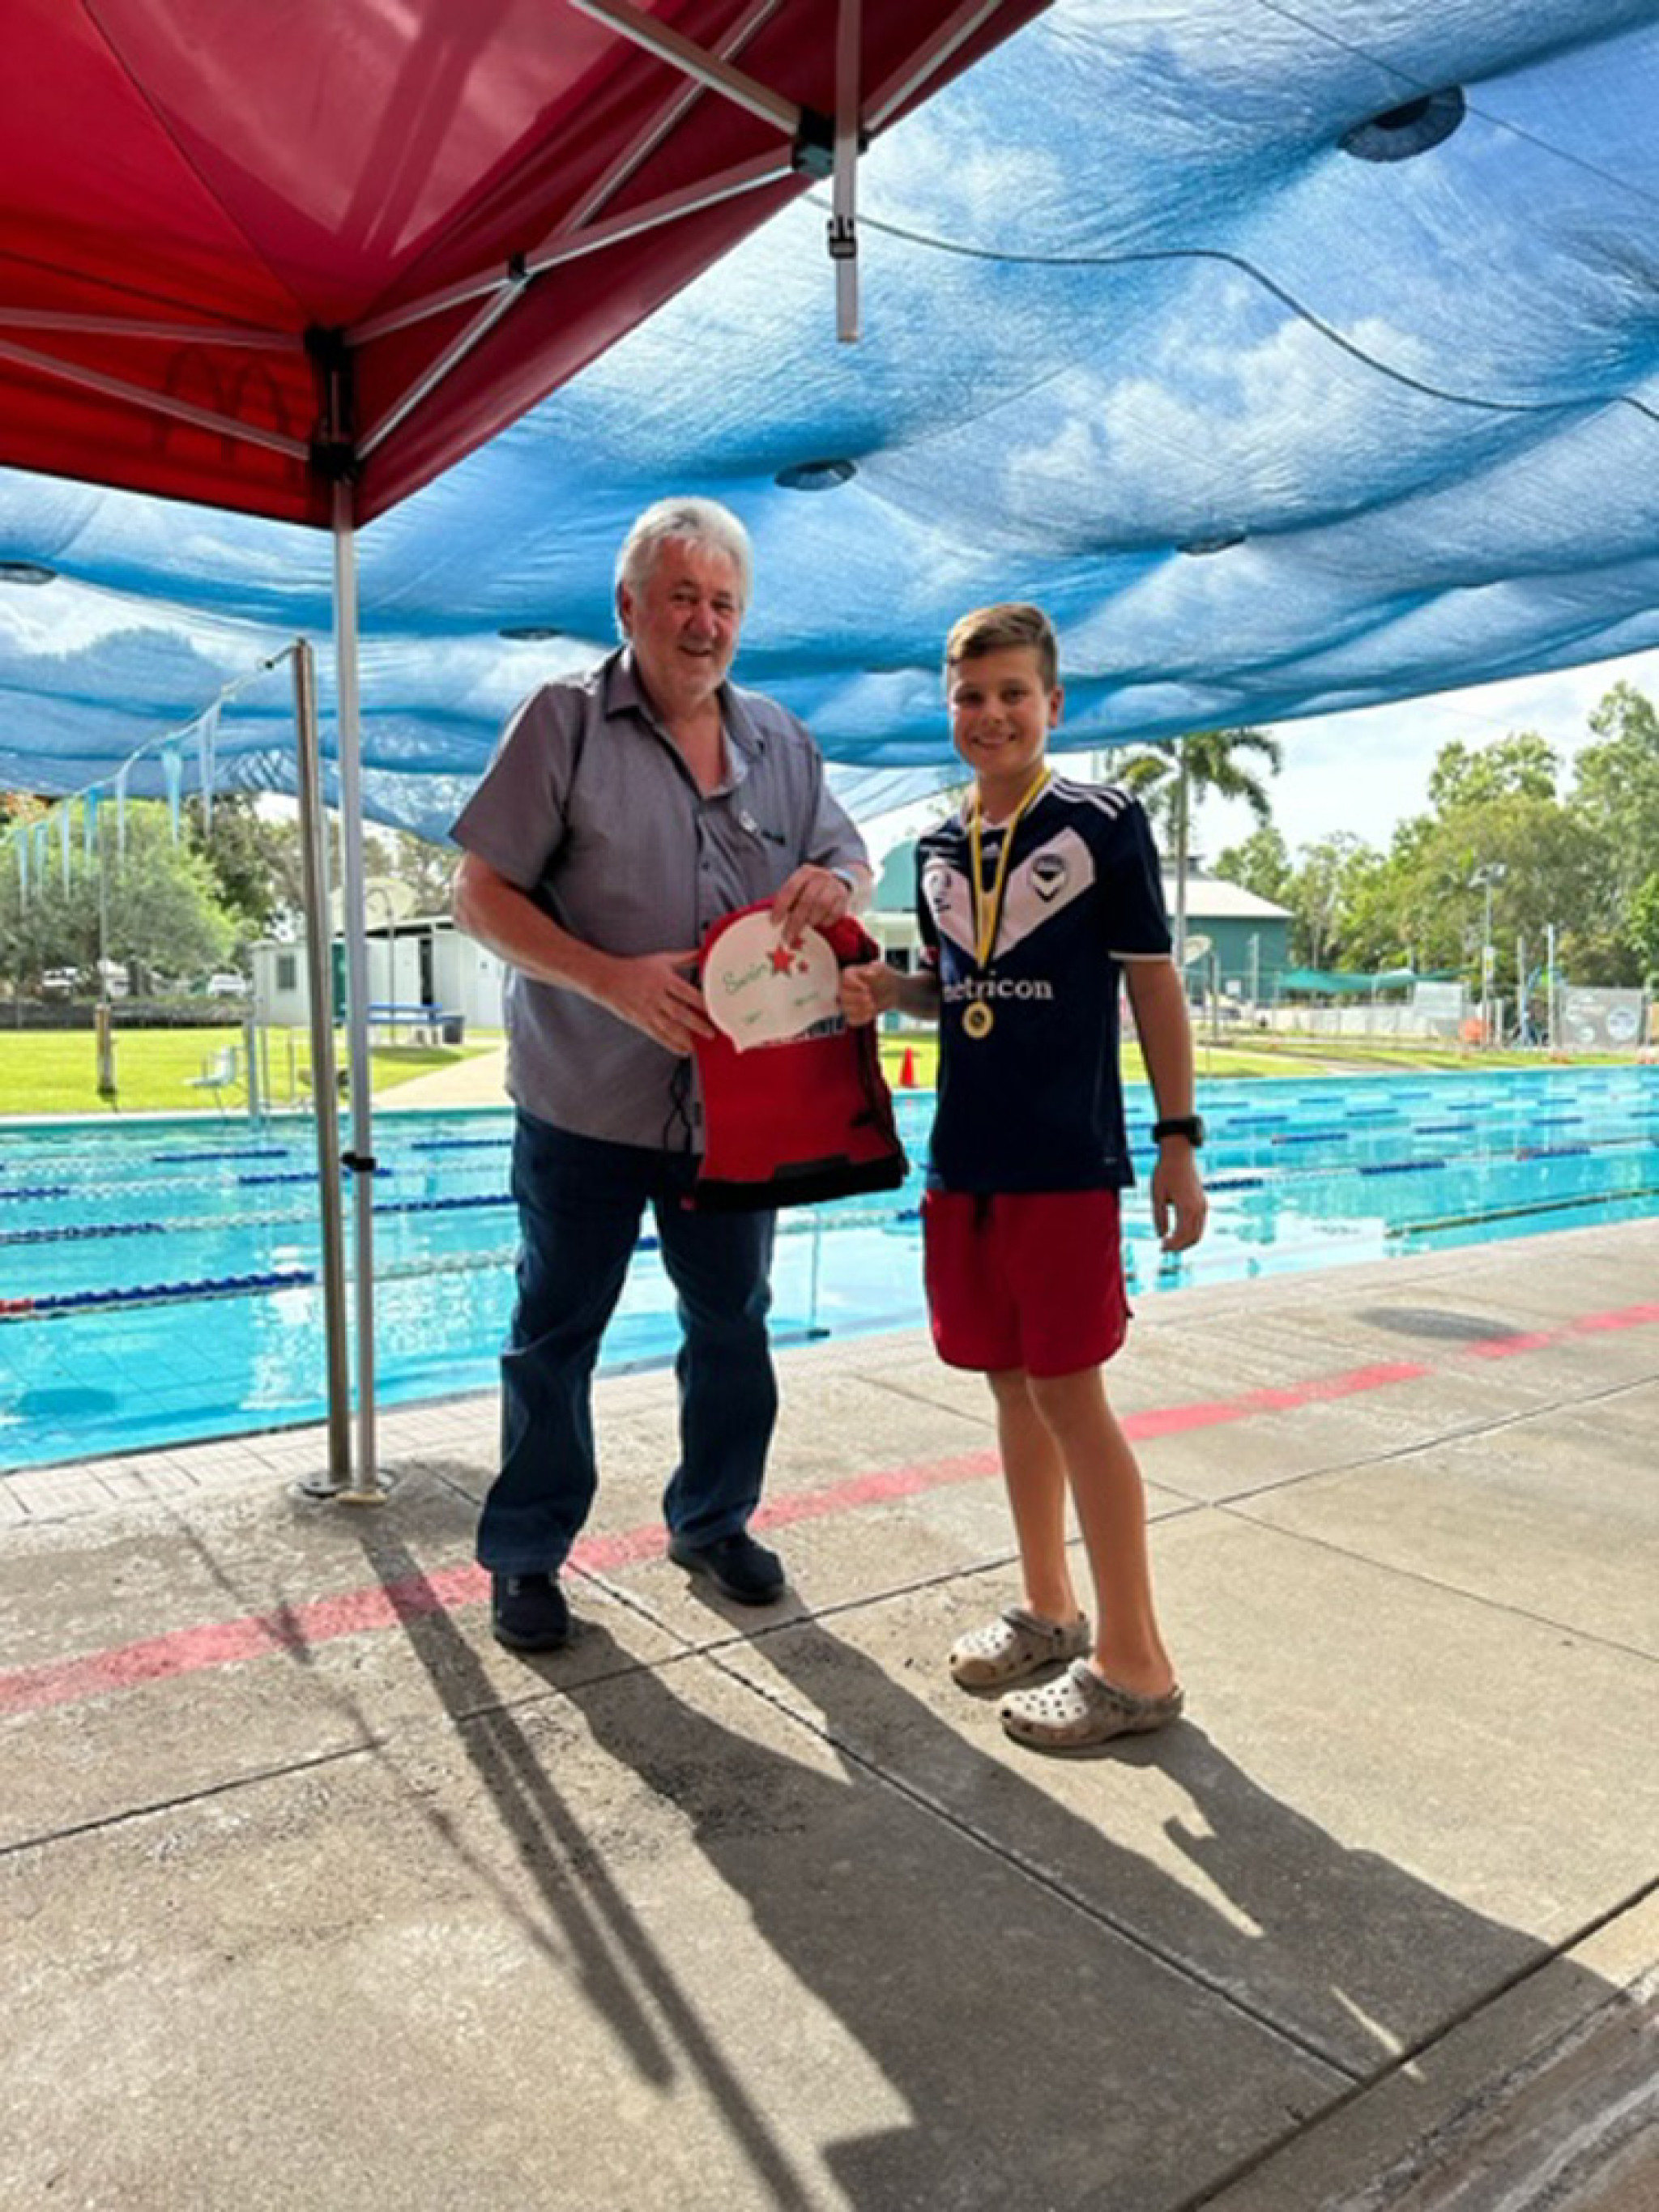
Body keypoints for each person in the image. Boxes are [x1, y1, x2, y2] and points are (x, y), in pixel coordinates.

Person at [450, 497, 869, 1652]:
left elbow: (845, 855)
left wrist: (839, 885)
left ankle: (714, 1518)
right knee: (556, 1333)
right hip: (585, 1097)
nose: (704, 622)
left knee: (733, 1324)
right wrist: (607, 979)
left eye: (724, 603)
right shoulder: (565, 724)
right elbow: (479, 894)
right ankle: (528, 1553)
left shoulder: (783, 740)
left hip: (736, 1114)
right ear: (630, 606)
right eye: (681, 597)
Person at [839, 603, 1207, 1750]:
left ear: (1054, 705)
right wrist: (891, 995)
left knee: (1069, 1395)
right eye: (969, 696)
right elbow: (964, 986)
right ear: (947, 708)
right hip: (970, 1159)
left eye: (1012, 694)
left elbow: (1152, 985)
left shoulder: (1103, 822)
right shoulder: (942, 845)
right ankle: (1051, 1608)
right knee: (1008, 1385)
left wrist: (1178, 1138)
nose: (990, 714)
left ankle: (1136, 1663)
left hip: (1062, 1159)